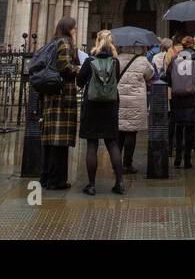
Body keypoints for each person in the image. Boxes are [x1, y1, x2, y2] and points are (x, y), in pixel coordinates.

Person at [78, 29, 125, 194]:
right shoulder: (115, 62)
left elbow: (80, 81)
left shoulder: (89, 60)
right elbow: (116, 80)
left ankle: (91, 185)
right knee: (112, 143)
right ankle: (119, 182)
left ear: (97, 41)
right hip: (110, 106)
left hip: (92, 105)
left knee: (92, 144)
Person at [39, 16, 80, 190]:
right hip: (62, 98)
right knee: (59, 141)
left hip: (52, 96)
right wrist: (79, 69)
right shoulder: (64, 43)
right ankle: (57, 181)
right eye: (74, 28)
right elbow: (64, 67)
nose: (76, 31)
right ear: (69, 29)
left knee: (50, 140)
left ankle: (46, 177)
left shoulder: (54, 42)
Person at [168, 34, 195, 168]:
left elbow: (168, 76)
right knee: (190, 128)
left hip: (178, 97)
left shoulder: (175, 58)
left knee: (179, 127)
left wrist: (174, 87)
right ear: (193, 45)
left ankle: (178, 157)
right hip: (193, 96)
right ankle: (188, 159)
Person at [117, 40, 154, 174]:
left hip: (119, 98)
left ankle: (116, 163)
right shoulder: (143, 60)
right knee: (131, 132)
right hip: (136, 101)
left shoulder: (117, 58)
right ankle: (127, 164)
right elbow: (150, 74)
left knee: (119, 132)